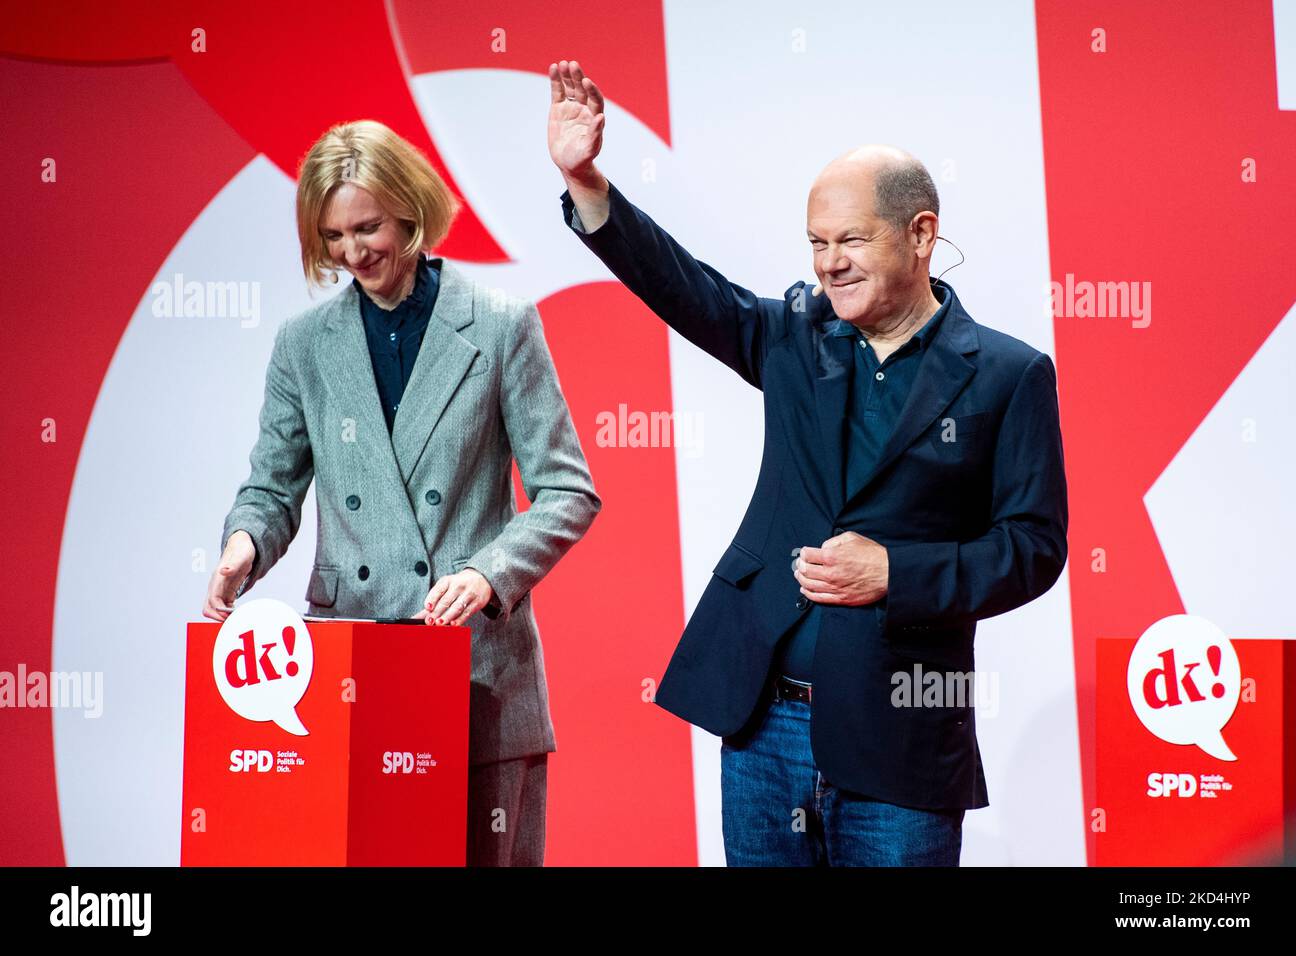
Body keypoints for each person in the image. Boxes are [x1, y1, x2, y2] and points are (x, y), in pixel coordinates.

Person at [547, 60, 1067, 866]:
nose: (830, 264)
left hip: (901, 733)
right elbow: (690, 290)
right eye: (817, 244)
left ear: (921, 234)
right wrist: (589, 186)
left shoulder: (1008, 374)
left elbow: (1033, 548)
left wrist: (895, 571)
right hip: (761, 726)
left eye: (852, 240)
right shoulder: (795, 336)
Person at [203, 119, 600, 866]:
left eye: (369, 227)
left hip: (479, 674)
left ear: (412, 210)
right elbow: (273, 484)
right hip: (348, 683)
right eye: (333, 236)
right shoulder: (303, 344)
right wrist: (243, 544)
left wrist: (488, 573)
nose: (353, 253)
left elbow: (566, 490)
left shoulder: (501, 324)